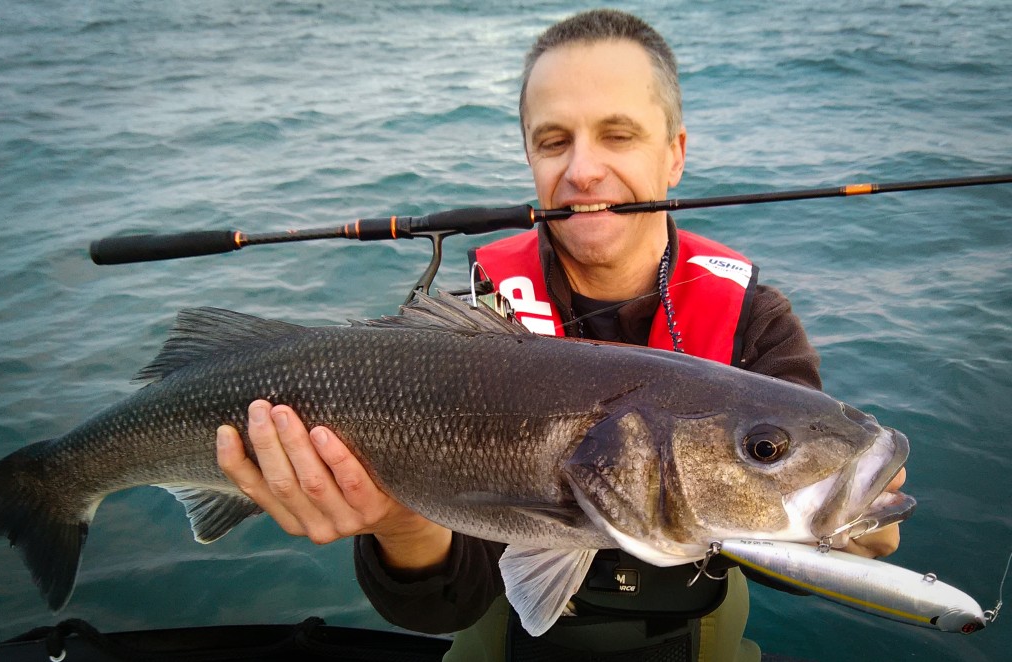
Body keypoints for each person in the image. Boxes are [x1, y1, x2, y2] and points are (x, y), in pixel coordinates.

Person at [216, 9, 906, 661]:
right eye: (553, 141)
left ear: (675, 154)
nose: (582, 170)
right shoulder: (468, 331)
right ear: (530, 159)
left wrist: (843, 529)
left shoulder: (755, 323)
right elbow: (444, 606)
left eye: (619, 134)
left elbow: (796, 549)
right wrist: (399, 524)